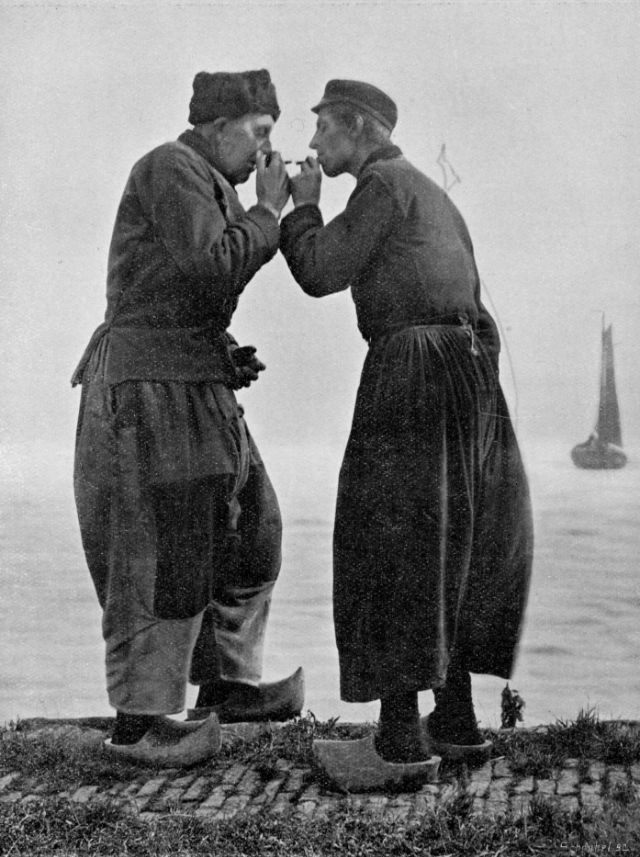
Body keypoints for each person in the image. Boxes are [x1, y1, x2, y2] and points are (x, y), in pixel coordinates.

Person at [279, 79, 533, 788]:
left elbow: (322, 270)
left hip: (413, 368)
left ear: (359, 127)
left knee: (393, 539)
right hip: (468, 370)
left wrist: (302, 208)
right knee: (453, 538)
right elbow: (476, 308)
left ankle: (396, 743)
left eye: (323, 127)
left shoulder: (381, 186)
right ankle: (455, 722)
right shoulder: (430, 191)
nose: (313, 142)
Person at [72, 69, 304, 766]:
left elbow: (177, 292)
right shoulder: (170, 167)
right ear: (218, 127)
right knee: (157, 552)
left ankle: (225, 685)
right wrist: (270, 213)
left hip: (192, 382)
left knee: (252, 530)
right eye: (259, 132)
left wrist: (219, 350)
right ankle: (138, 725)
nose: (269, 151)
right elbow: (211, 266)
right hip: (145, 391)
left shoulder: (206, 180)